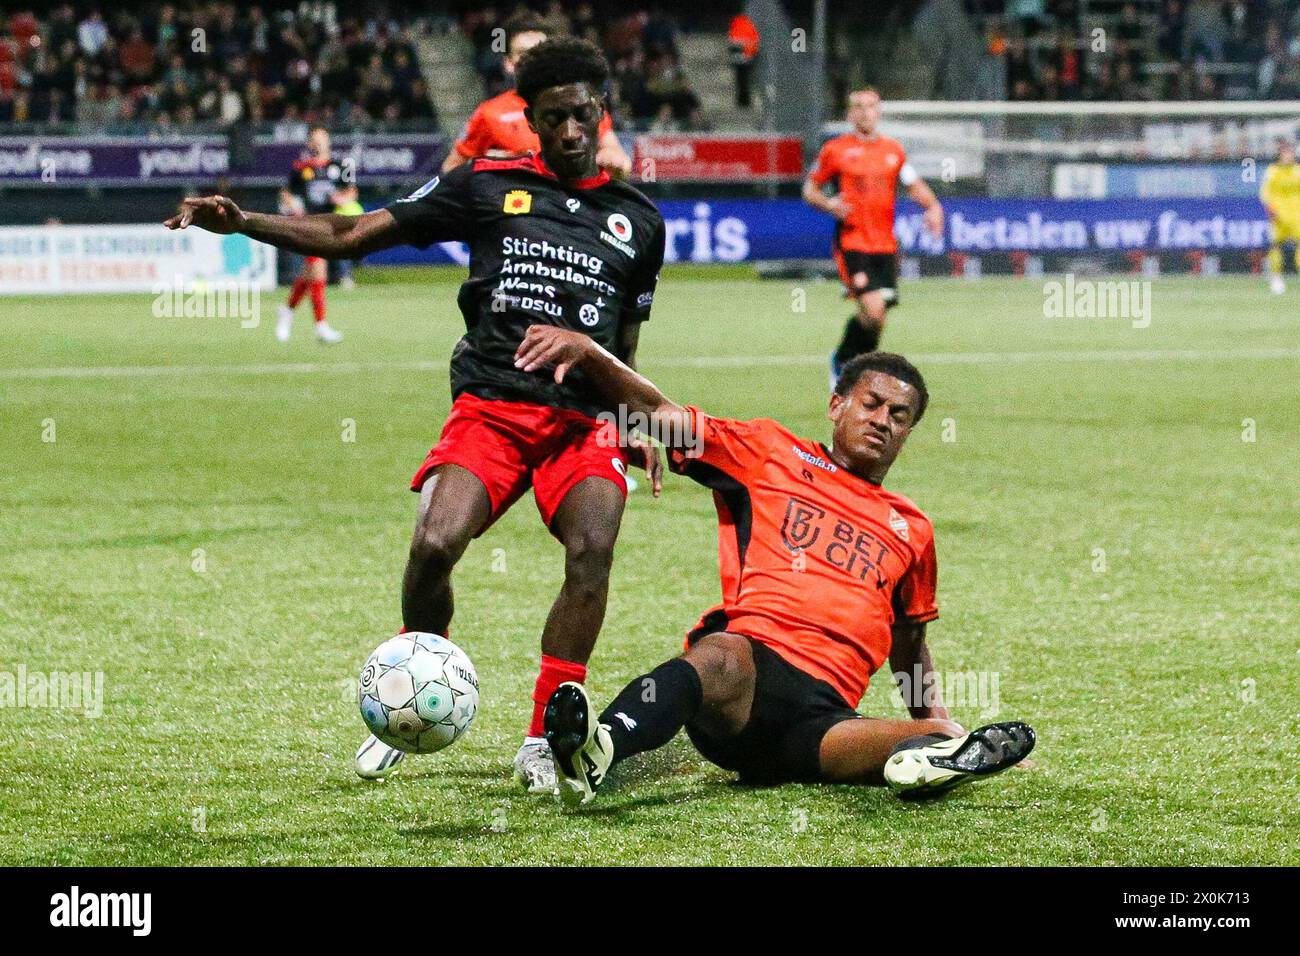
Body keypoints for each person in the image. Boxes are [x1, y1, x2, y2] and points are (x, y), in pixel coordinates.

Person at [164, 38, 667, 793]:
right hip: (492, 408)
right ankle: (410, 690)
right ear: (529, 120)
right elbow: (354, 234)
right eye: (554, 118)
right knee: (435, 542)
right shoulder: (485, 184)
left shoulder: (639, 221)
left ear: (604, 113)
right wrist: (244, 224)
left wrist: (636, 418)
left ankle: (541, 737)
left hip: (583, 420)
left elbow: (624, 345)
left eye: (583, 116)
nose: (570, 131)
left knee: (591, 550)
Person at [510, 323, 1036, 806]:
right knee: (716, 653)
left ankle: (928, 759)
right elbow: (661, 416)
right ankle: (599, 749)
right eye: (871, 404)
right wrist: (590, 353)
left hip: (824, 725)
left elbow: (910, 645)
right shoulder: (768, 452)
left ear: (909, 433)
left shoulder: (911, 527)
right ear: (836, 405)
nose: (882, 422)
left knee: (948, 738)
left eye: (899, 417)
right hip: (746, 681)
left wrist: (935, 722)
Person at [803, 89, 944, 381]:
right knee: (874, 310)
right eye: (858, 107)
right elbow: (810, 189)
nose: (865, 112)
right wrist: (829, 205)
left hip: (886, 245)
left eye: (870, 106)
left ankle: (851, 367)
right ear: (850, 114)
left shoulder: (893, 150)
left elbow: (913, 184)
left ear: (878, 111)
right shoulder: (836, 150)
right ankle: (844, 365)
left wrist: (933, 207)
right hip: (853, 242)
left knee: (877, 322)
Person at [442, 12, 632, 179]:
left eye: (540, 51)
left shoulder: (580, 103)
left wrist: (613, 159)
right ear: (508, 63)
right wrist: (483, 164)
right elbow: (449, 169)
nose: (533, 61)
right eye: (523, 53)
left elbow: (619, 160)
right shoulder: (488, 113)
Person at [277, 125, 352, 342]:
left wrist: (341, 199)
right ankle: (321, 326)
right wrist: (294, 205)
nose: (319, 143)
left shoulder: (340, 166)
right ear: (310, 144)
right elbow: (285, 193)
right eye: (315, 140)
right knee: (318, 271)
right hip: (310, 225)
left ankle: (287, 310)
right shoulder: (302, 168)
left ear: (328, 142)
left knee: (310, 275)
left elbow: (351, 191)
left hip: (331, 226)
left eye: (322, 139)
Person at [1260, 138, 1300, 294]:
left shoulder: (1298, 171)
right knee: (1275, 245)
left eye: (1290, 153)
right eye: (1285, 153)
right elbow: (1265, 193)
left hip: (1297, 215)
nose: (1288, 156)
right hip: (1278, 216)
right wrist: (1270, 208)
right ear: (1280, 155)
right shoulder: (1272, 171)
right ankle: (1276, 279)